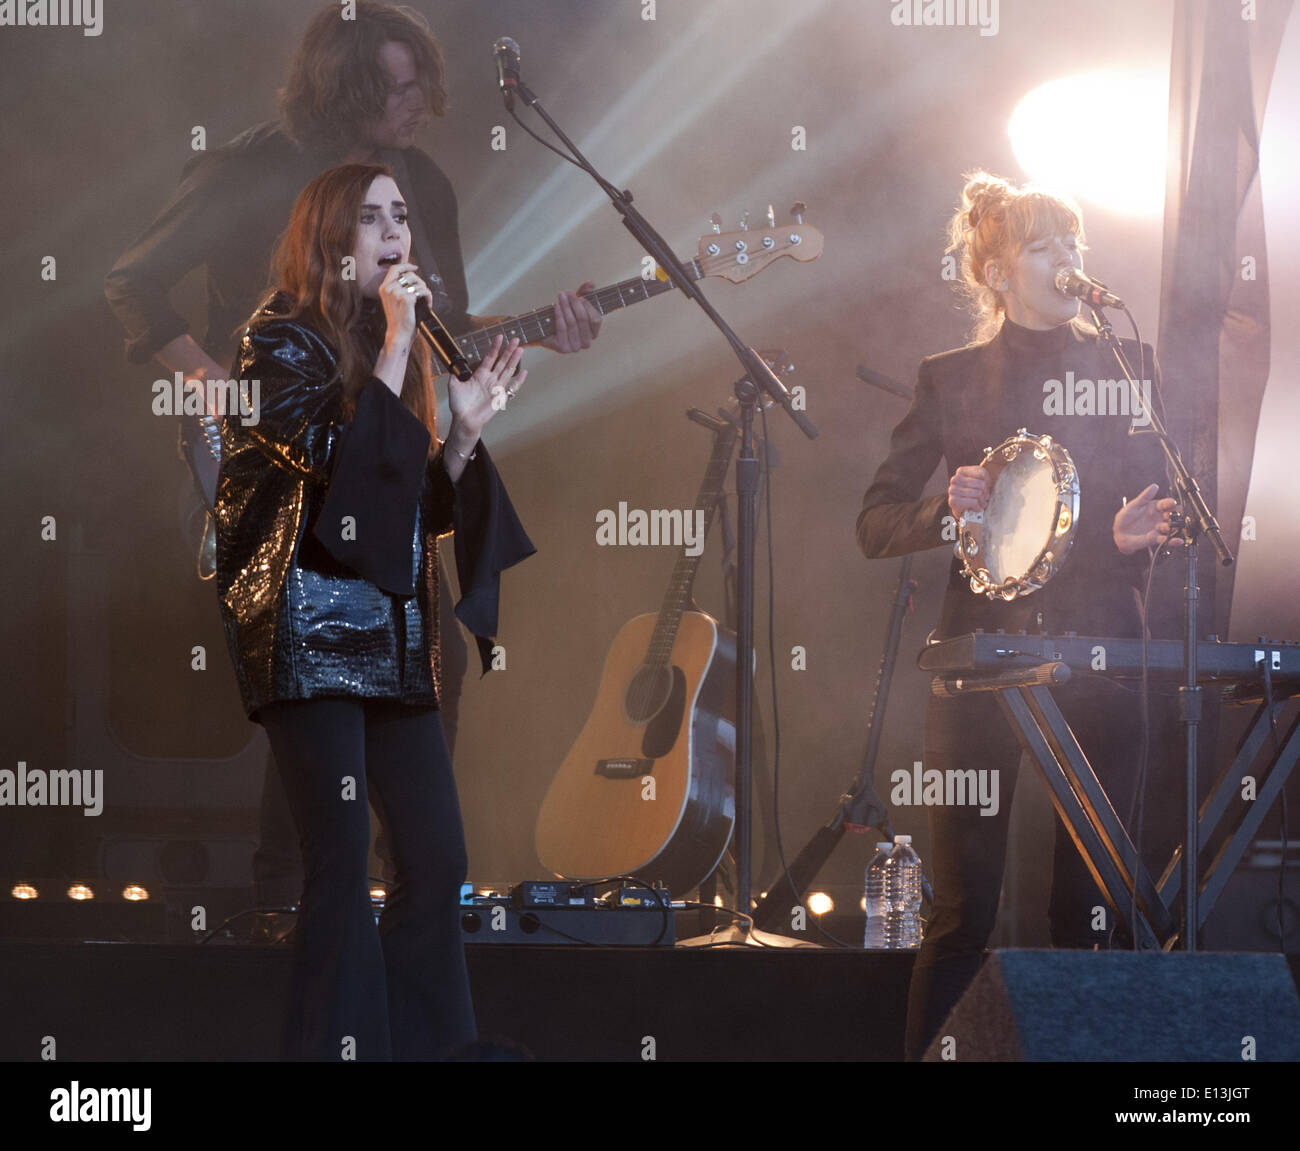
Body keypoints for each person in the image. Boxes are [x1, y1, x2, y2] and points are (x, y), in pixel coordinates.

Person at [104, 0, 601, 908]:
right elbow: (132, 280)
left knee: (428, 653)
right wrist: (216, 384)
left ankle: (394, 902)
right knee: (317, 670)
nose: (418, 103)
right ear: (345, 87)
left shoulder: (425, 187)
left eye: (423, 82)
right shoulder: (256, 167)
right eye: (395, 85)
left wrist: (545, 334)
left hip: (377, 460)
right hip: (277, 452)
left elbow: (441, 328)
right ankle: (290, 905)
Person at [856, 172, 1178, 1061]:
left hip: (1102, 651)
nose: (1068, 259)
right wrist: (948, 515)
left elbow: (1152, 513)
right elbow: (874, 521)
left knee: (1093, 903)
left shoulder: (1126, 366)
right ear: (995, 272)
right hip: (979, 660)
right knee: (962, 908)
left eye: (1073, 243)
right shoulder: (949, 379)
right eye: (1044, 246)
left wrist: (1128, 538)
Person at [217, 160, 533, 1060]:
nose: (393, 232)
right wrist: (398, 346)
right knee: (342, 859)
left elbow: (403, 510)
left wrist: (462, 436)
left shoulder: (390, 343)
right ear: (329, 238)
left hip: (392, 635)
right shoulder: (273, 343)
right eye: (369, 218)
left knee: (436, 860)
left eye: (400, 215)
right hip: (307, 627)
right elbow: (335, 472)